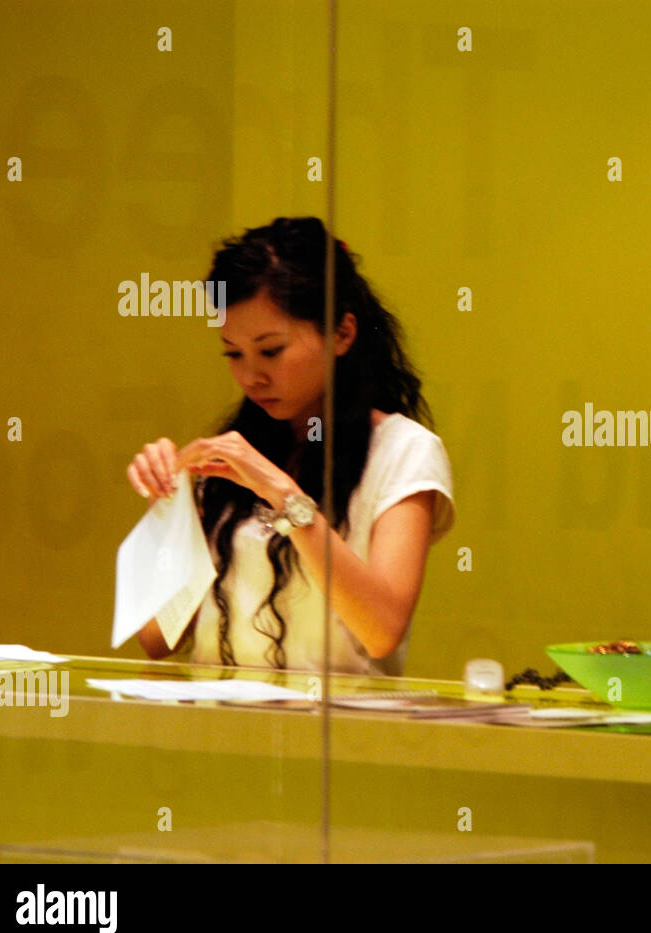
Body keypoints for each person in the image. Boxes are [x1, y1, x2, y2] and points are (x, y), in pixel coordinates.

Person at [126, 216, 454, 675]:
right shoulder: (233, 455)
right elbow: (158, 637)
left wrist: (285, 496)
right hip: (221, 730)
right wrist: (170, 500)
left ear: (342, 334)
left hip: (343, 737)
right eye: (233, 353)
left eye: (271, 350)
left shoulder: (405, 450)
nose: (250, 376)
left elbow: (381, 630)